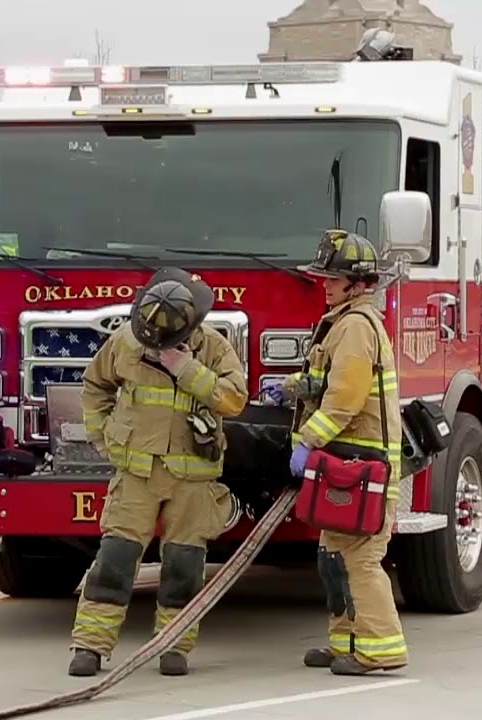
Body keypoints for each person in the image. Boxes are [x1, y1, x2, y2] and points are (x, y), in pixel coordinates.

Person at [69, 267, 248, 678]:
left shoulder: (215, 349)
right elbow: (96, 386)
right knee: (114, 559)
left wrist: (186, 369)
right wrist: (102, 439)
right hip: (136, 473)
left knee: (184, 565)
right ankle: (90, 646)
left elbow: (234, 400)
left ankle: (174, 646)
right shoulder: (126, 342)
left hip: (192, 479)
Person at [267, 228, 408, 676]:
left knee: (362, 561)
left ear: (358, 283)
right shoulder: (344, 322)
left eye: (332, 278)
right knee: (333, 558)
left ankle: (381, 649)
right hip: (345, 464)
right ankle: (346, 642)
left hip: (362, 467)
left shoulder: (354, 327)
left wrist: (307, 441)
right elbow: (327, 382)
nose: (323, 285)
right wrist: (291, 387)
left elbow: (345, 397)